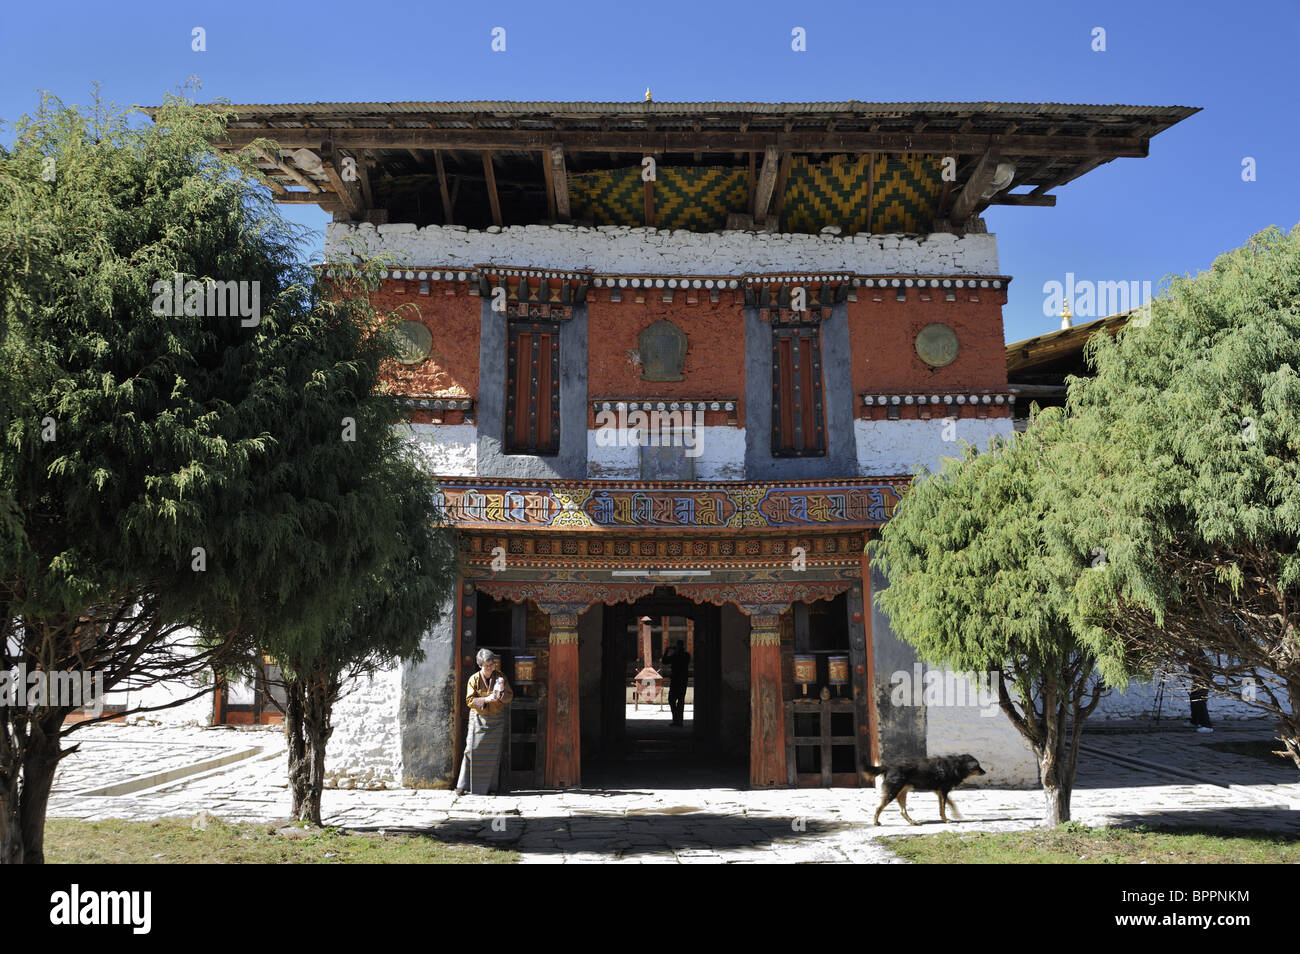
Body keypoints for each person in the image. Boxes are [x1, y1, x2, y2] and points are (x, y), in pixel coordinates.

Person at [455, 649, 514, 795]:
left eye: (491, 665)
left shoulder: (501, 677)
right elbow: (469, 700)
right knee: (470, 750)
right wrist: (485, 700)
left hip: (496, 719)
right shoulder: (473, 679)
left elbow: (509, 696)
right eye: (486, 665)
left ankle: (491, 788)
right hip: (478, 720)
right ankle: (463, 785)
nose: (489, 668)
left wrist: (501, 694)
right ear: (479, 665)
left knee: (493, 754)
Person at [661, 639, 691, 726]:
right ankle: (679, 721)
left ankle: (676, 720)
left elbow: (664, 661)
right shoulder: (687, 655)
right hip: (683, 681)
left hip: (675, 681)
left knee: (672, 700)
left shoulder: (675, 655)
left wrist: (667, 651)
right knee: (681, 701)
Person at [1187, 650, 1214, 733]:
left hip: (1203, 677)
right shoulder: (1193, 650)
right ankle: (1195, 720)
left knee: (1200, 699)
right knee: (1194, 697)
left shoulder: (1195, 651)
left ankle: (1206, 725)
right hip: (1198, 677)